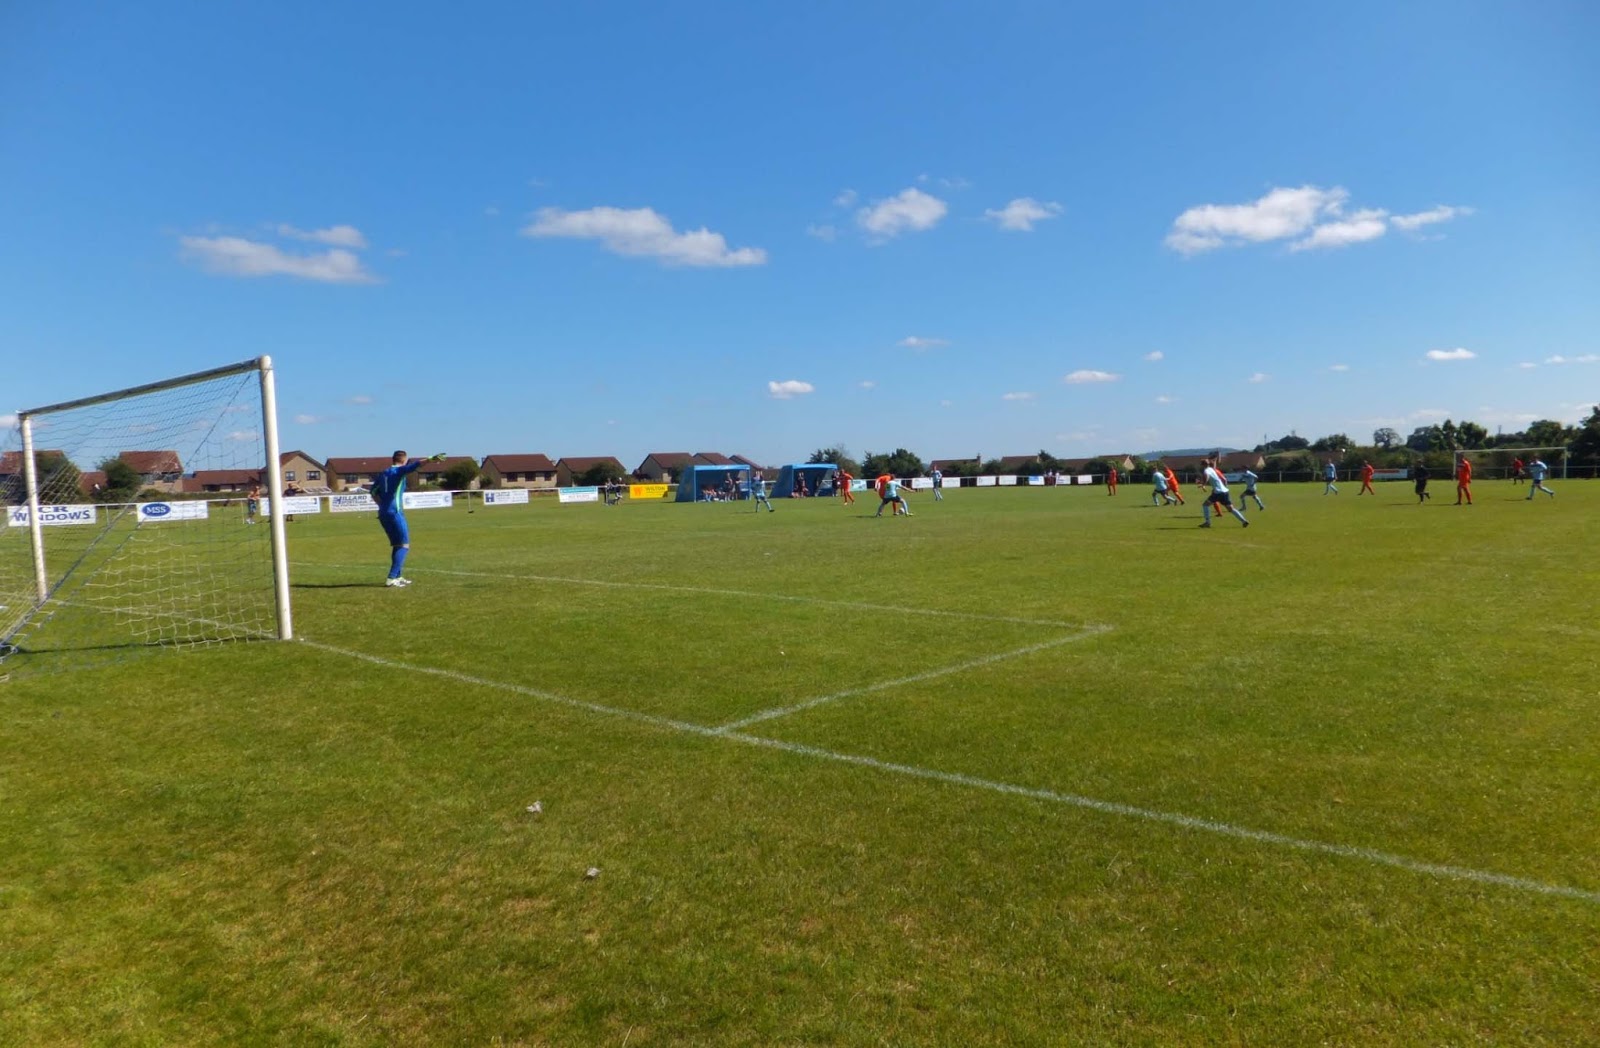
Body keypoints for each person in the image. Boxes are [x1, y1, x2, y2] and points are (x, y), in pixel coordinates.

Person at [370, 450, 445, 587]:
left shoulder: (384, 473)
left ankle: (397, 576)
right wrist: (430, 459)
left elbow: (373, 491)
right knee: (404, 545)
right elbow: (415, 465)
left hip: (383, 513)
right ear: (404, 460)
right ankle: (391, 577)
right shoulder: (399, 471)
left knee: (397, 545)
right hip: (395, 512)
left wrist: (382, 506)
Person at [1198, 456, 1249, 529]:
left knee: (1205, 505)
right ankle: (1244, 521)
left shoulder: (1206, 471)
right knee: (1231, 509)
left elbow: (1207, 476)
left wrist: (1203, 484)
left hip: (1217, 492)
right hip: (1224, 491)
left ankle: (1207, 522)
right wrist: (1215, 460)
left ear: (1202, 465)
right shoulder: (1211, 469)